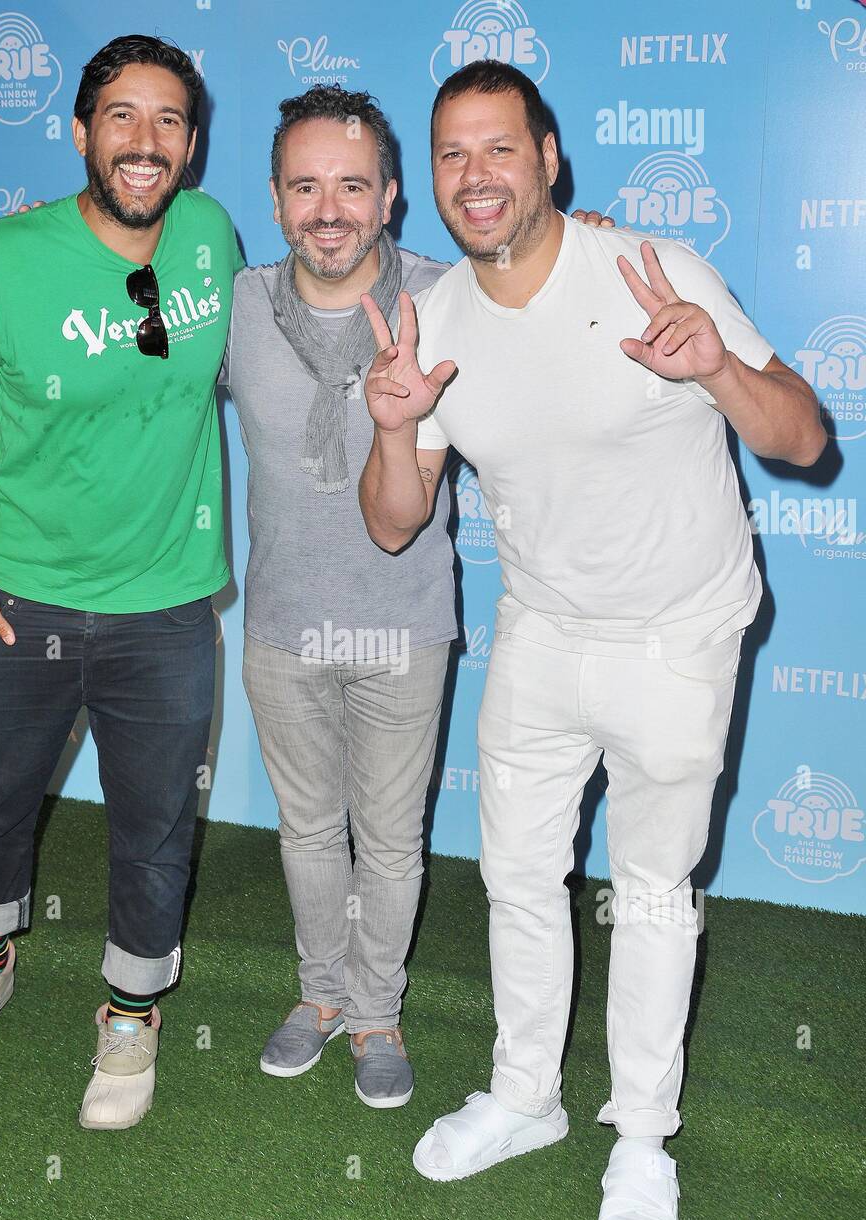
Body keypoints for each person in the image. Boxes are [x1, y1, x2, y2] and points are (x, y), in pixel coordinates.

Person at [358, 60, 825, 1220]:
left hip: (677, 638)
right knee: (516, 875)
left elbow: (803, 437)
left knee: (654, 892)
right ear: (429, 181)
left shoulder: (649, 271)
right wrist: (395, 427)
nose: (477, 175)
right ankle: (524, 1099)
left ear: (548, 157)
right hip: (540, 633)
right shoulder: (433, 319)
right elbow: (394, 520)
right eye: (453, 154)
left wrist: (713, 364)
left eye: (499, 148)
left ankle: (637, 1139)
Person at [224, 87, 613, 1108]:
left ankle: (378, 1011)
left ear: (390, 197)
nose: (328, 208)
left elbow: (557, 280)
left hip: (403, 627)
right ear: (273, 200)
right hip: (279, 625)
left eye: (351, 185)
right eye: (304, 186)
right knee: (308, 832)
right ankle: (318, 996)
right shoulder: (236, 307)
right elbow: (131, 371)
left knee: (391, 841)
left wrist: (597, 246)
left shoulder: (448, 297)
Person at [0, 35, 242, 1132]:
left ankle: (132, 1012)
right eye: (121, 117)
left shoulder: (207, 237)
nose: (144, 143)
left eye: (167, 122)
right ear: (80, 132)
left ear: (191, 144)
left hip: (166, 605)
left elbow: (331, 277)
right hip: (19, 595)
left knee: (153, 823)